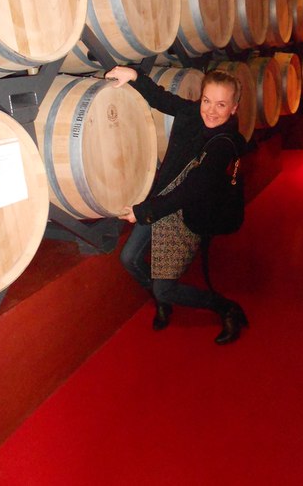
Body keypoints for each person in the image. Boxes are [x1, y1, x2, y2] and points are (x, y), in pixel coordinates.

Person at [105, 65, 248, 345]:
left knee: (165, 288)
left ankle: (224, 307)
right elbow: (162, 99)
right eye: (206, 101)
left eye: (221, 105)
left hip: (188, 215)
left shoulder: (224, 144)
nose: (211, 111)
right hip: (163, 200)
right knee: (129, 259)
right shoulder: (194, 113)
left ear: (234, 108)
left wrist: (144, 212)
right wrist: (135, 76)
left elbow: (189, 192)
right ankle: (162, 298)